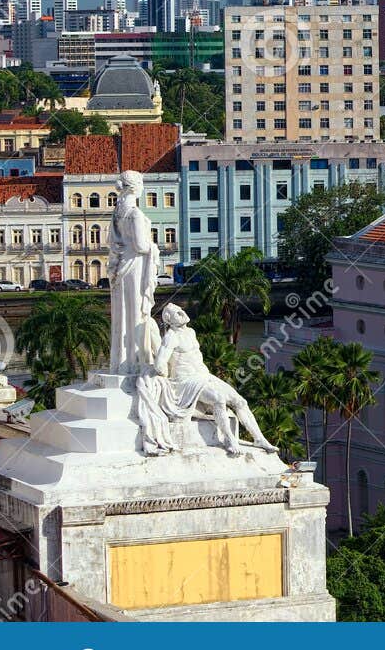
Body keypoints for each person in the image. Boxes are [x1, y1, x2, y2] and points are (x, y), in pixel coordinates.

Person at [153, 304, 277, 455]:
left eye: (182, 310)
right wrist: (166, 380)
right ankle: (229, 439)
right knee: (218, 399)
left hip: (204, 376)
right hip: (186, 381)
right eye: (177, 313)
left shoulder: (191, 332)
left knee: (240, 401)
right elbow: (159, 364)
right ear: (169, 320)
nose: (183, 313)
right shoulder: (171, 337)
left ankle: (259, 439)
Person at [108, 171, 158, 374]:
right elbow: (141, 245)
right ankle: (134, 362)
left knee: (121, 312)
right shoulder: (135, 214)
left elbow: (113, 242)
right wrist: (154, 248)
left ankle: (120, 361)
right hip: (135, 266)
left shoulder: (117, 213)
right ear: (136, 187)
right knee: (136, 313)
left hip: (121, 266)